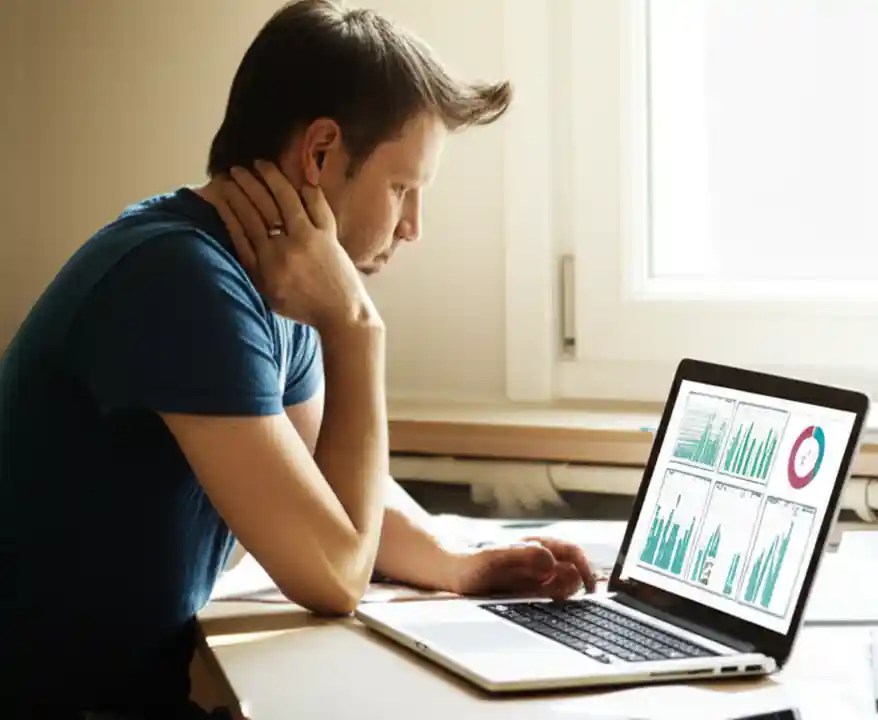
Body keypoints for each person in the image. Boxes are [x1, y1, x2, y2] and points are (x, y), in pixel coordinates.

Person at [0, 1, 595, 715]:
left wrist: (458, 567)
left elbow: (326, 487)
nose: (413, 228)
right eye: (403, 188)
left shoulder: (269, 280)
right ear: (320, 153)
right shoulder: (181, 280)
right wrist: (358, 329)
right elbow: (335, 575)